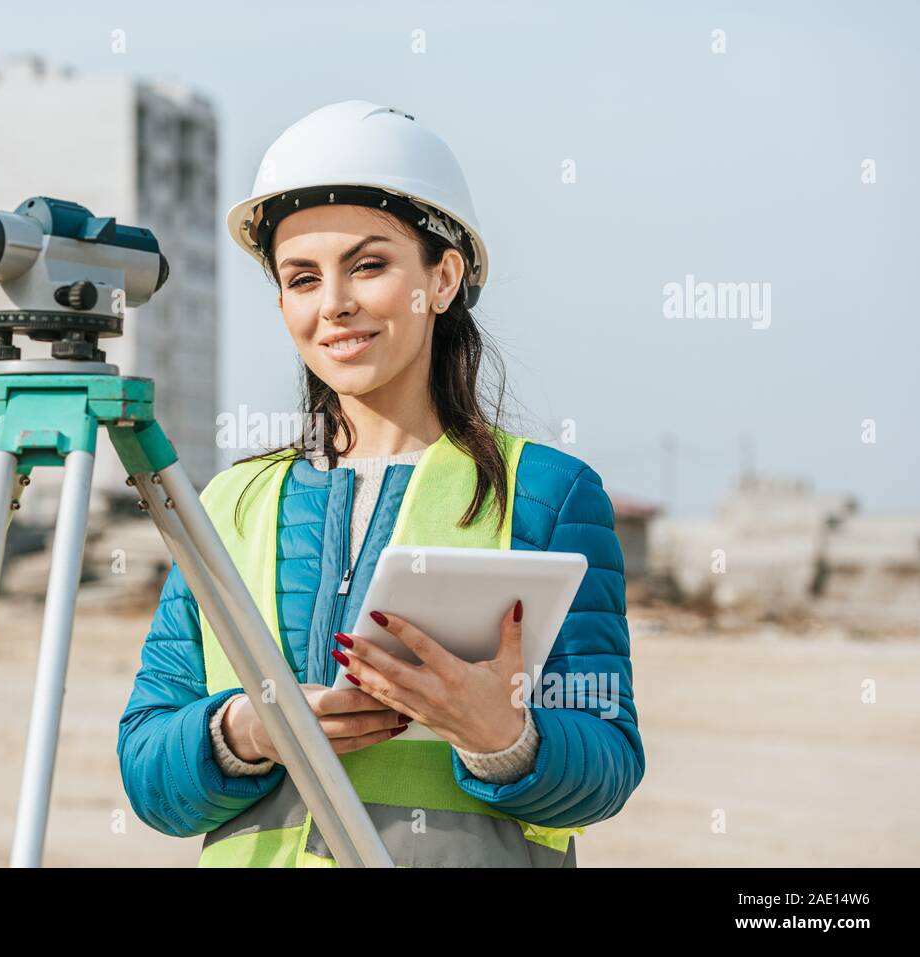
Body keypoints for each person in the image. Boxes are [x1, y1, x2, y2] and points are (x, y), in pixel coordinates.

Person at [117, 100, 645, 867]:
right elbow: (146, 766)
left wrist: (503, 735)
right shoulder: (229, 503)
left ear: (444, 276)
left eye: (368, 265)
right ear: (283, 303)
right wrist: (247, 731)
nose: (334, 303)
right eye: (303, 278)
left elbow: (608, 762)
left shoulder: (548, 493)